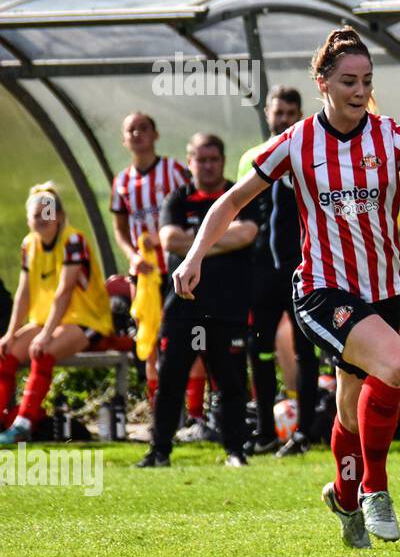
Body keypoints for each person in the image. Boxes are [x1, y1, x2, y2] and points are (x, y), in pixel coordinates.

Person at [170, 29, 400, 548]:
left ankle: (345, 497)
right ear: (323, 82)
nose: (359, 90)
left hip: (380, 291)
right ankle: (376, 490)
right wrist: (194, 255)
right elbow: (231, 201)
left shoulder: (389, 135)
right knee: (396, 365)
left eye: (367, 81)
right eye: (349, 81)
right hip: (321, 290)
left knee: (351, 406)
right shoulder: (296, 142)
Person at [134, 134, 260, 468]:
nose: (207, 166)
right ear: (189, 162)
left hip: (228, 308)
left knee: (232, 384)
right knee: (170, 381)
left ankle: (235, 450)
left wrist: (197, 246)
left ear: (222, 160)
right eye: (200, 160)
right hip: (183, 309)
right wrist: (217, 240)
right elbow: (169, 240)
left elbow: (247, 233)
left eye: (213, 159)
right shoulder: (177, 199)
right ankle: (159, 450)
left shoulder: (238, 193)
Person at [234, 86, 322, 456]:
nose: (283, 118)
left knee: (306, 349)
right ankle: (266, 430)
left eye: (290, 113)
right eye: (278, 112)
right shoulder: (251, 157)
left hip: (299, 268)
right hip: (261, 272)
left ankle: (305, 432)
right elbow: (239, 206)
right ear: (267, 113)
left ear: (299, 114)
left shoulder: (308, 151)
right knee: (259, 347)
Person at [0, 184, 113, 443]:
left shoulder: (73, 240)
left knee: (42, 350)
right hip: (46, 322)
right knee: (5, 352)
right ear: (28, 219)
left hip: (86, 320)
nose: (42, 219)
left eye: (47, 213)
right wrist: (9, 334)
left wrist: (46, 334)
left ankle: (24, 424)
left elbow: (65, 291)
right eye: (36, 215)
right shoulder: (29, 245)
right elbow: (23, 293)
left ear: (60, 217)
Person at [109, 113, 192, 405]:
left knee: (185, 334)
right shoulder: (121, 181)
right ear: (124, 139)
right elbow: (120, 230)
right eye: (130, 130)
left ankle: (194, 411)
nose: (137, 134)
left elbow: (195, 205)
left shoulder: (174, 171)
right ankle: (159, 408)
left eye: (143, 128)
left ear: (155, 134)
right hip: (143, 274)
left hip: (176, 267)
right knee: (149, 337)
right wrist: (132, 256)